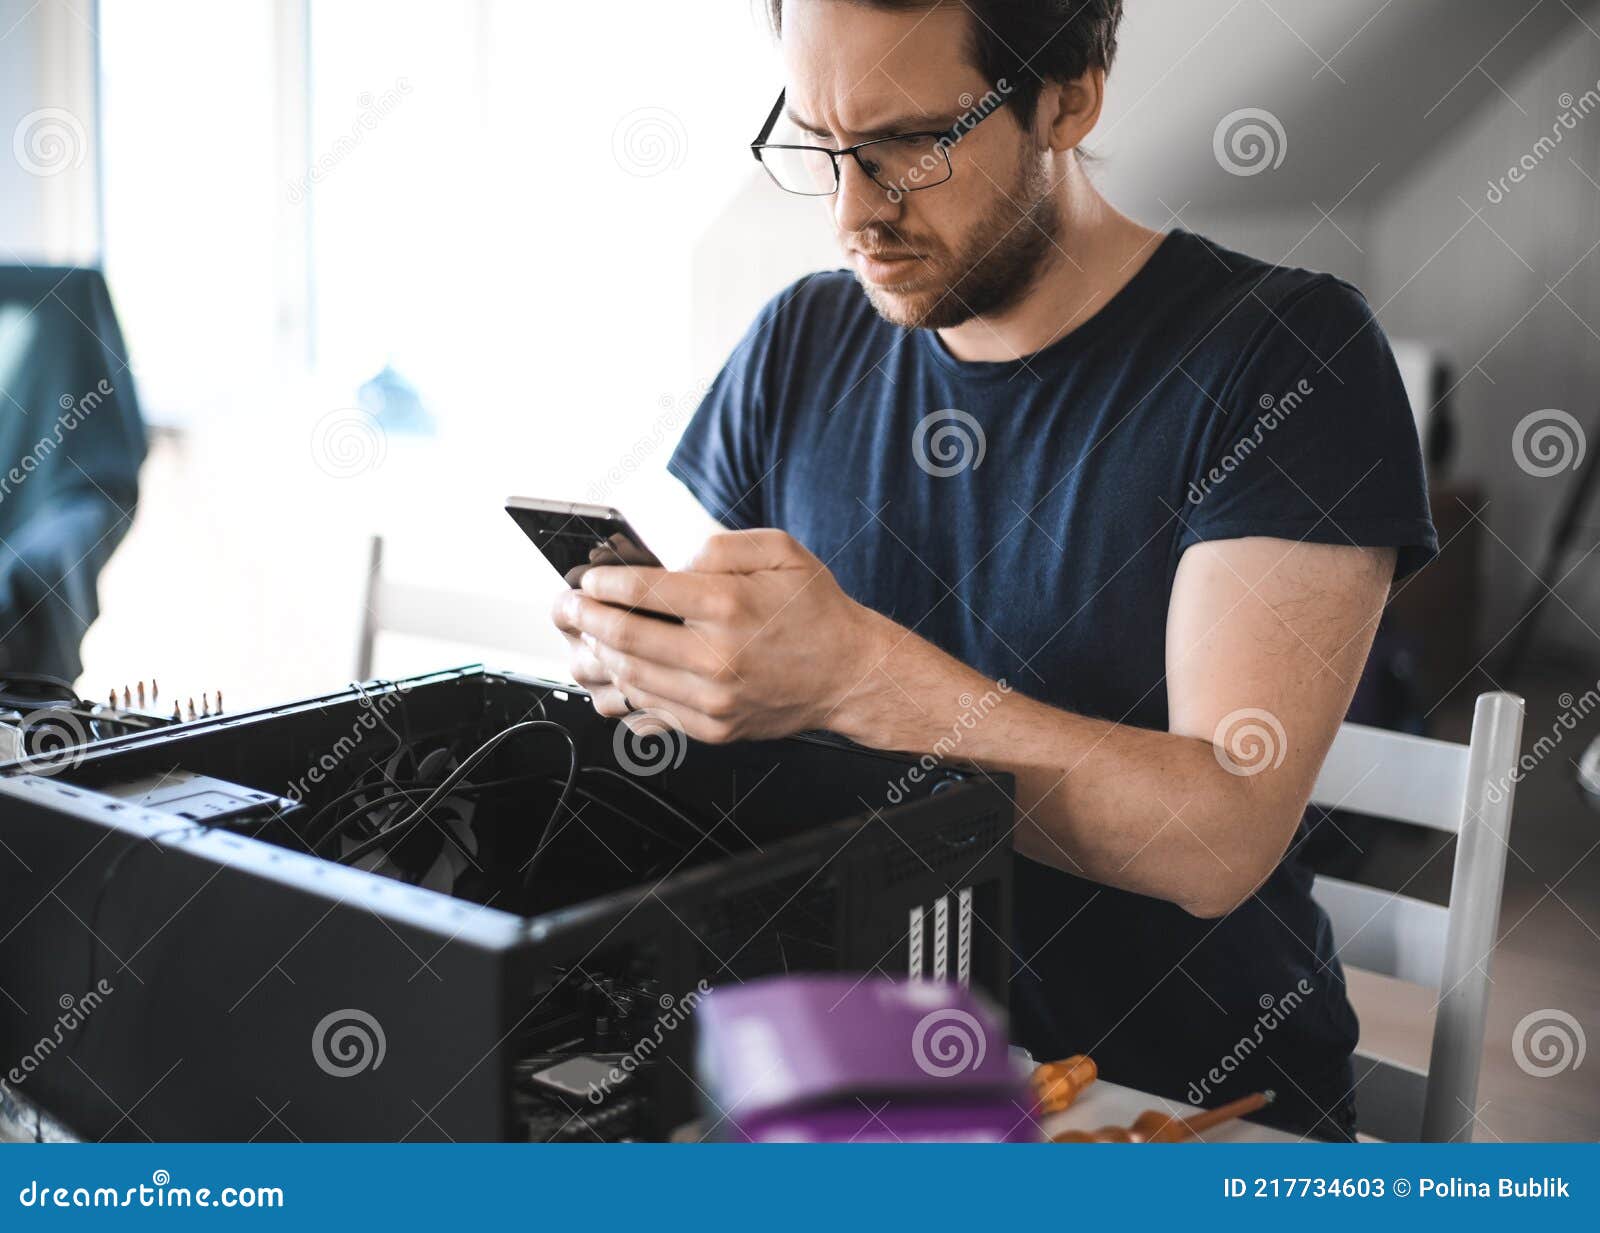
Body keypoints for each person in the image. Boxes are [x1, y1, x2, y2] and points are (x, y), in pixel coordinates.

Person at [551, 0, 1436, 1139]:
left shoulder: (1284, 356)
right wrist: (650, 657)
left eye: (909, 145)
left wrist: (852, 680)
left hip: (1171, 1102)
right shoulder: (801, 340)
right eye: (819, 148)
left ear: (1068, 97)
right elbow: (730, 703)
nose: (851, 212)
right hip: (844, 1076)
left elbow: (1218, 838)